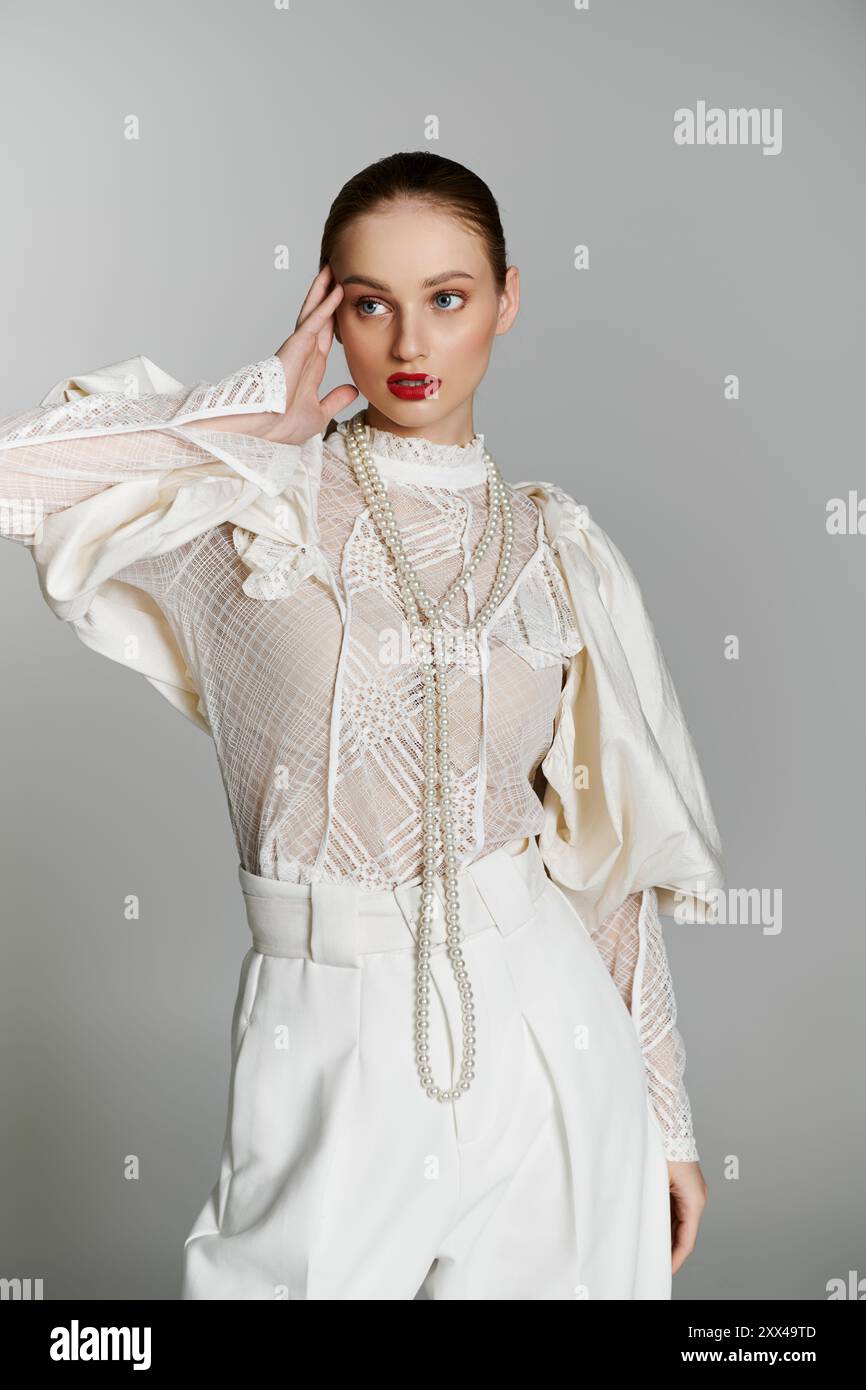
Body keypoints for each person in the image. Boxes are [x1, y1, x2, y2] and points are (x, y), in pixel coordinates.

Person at [0, 151, 724, 1300]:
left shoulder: (557, 552)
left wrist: (664, 1108)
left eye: (447, 299)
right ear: (326, 308)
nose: (408, 345)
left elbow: (603, 868)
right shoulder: (244, 506)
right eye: (370, 305)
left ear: (506, 298)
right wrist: (248, 410)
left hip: (548, 1027)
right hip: (328, 1030)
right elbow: (11, 476)